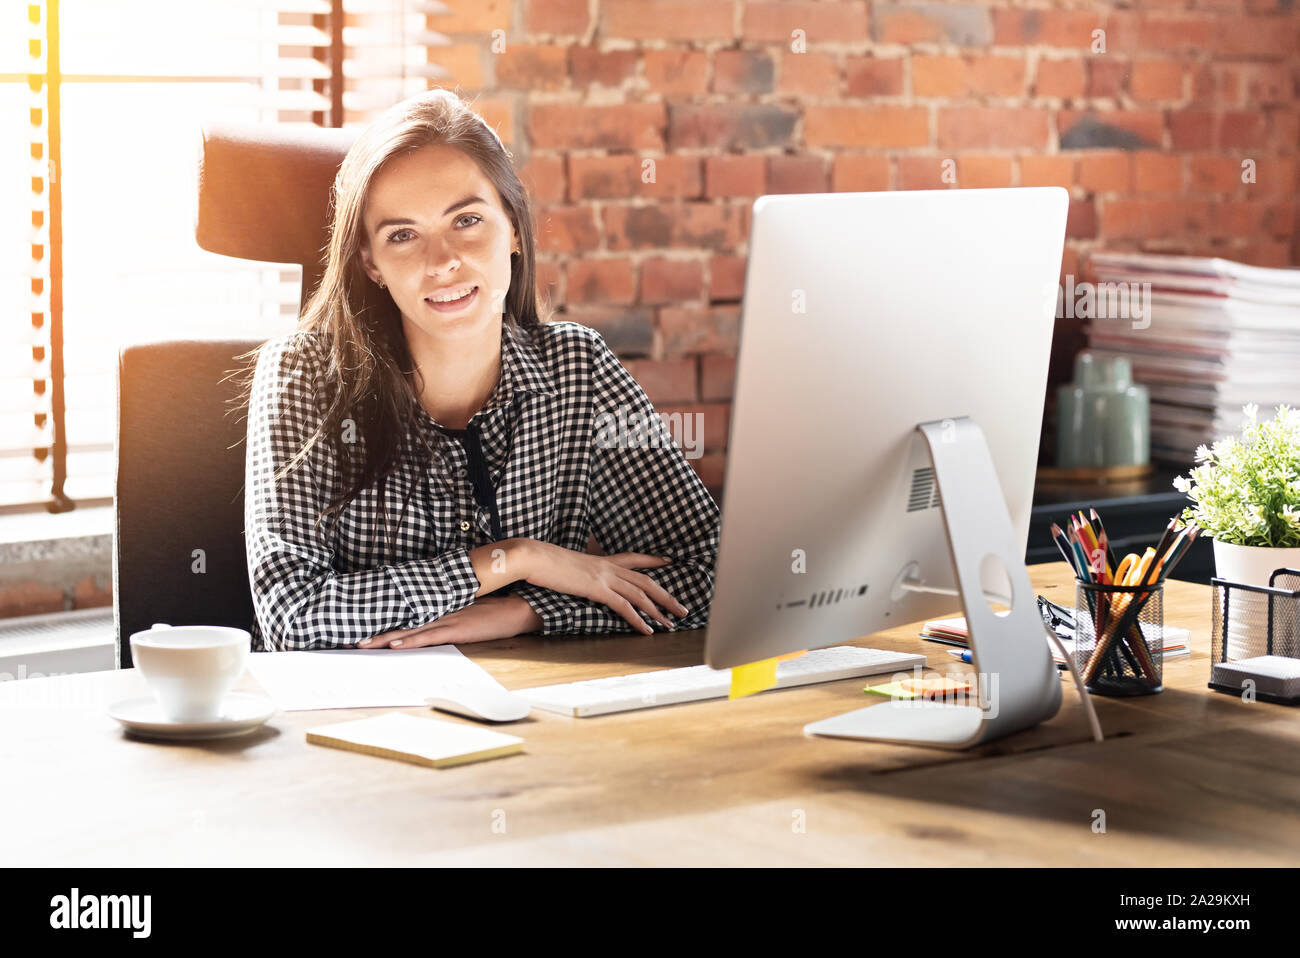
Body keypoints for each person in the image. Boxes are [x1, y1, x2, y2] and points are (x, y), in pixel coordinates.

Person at [236, 88, 720, 652]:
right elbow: (293, 619)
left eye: (466, 220)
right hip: (354, 722)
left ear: (514, 228)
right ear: (370, 261)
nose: (442, 262)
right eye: (402, 235)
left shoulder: (578, 369)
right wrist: (515, 560)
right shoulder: (301, 378)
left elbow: (710, 575)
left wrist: (527, 611)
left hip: (538, 712)